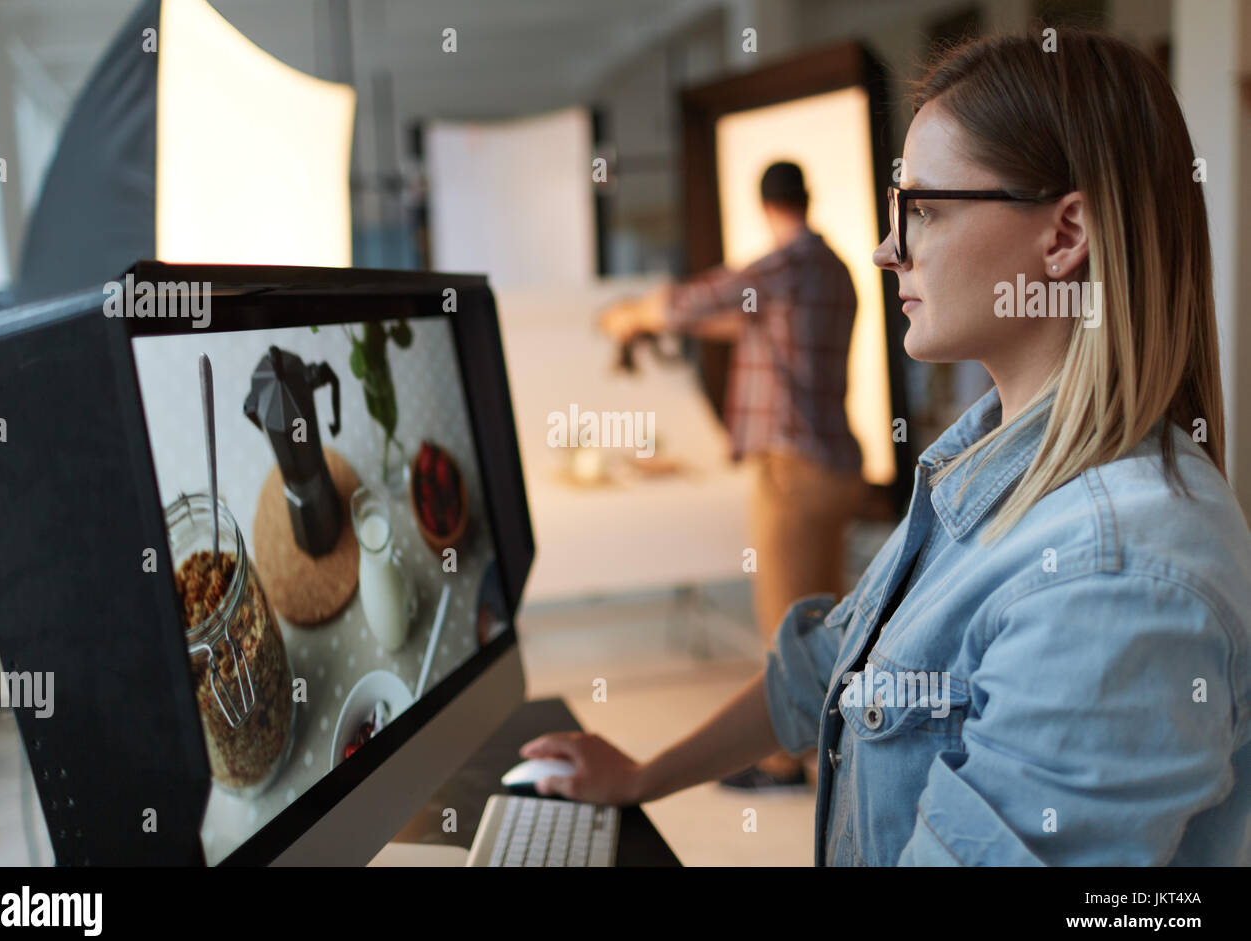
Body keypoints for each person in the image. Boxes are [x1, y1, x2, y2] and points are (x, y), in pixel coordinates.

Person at [525, 28, 1251, 865]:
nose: (888, 248)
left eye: (927, 211)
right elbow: (827, 670)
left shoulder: (1113, 579)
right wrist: (644, 775)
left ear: (1063, 237)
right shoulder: (980, 464)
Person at [600, 161, 867, 791]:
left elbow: (702, 298)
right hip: (835, 466)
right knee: (830, 623)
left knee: (785, 623)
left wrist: (633, 314)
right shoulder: (833, 271)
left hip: (793, 471)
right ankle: (839, 748)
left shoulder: (786, 264)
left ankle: (782, 760)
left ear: (765, 204)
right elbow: (748, 320)